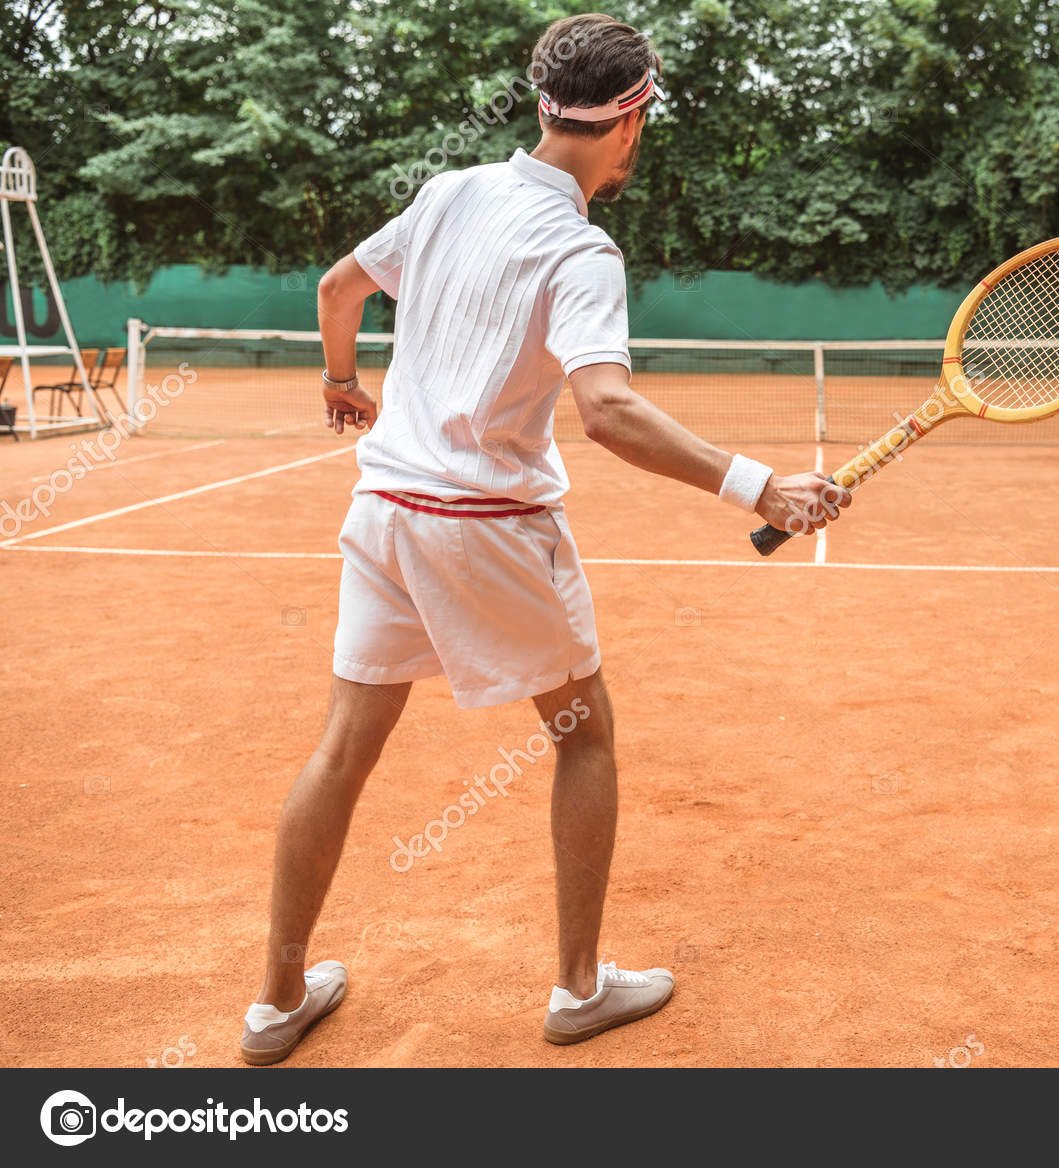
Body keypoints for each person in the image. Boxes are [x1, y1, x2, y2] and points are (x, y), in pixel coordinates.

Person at [239, 12, 846, 1066]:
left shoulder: (449, 193)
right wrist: (759, 488)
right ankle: (576, 988)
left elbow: (339, 290)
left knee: (342, 746)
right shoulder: (580, 247)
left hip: (383, 515)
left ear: (543, 104)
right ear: (630, 119)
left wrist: (344, 382)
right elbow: (606, 410)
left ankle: (276, 1002)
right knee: (586, 734)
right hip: (491, 527)